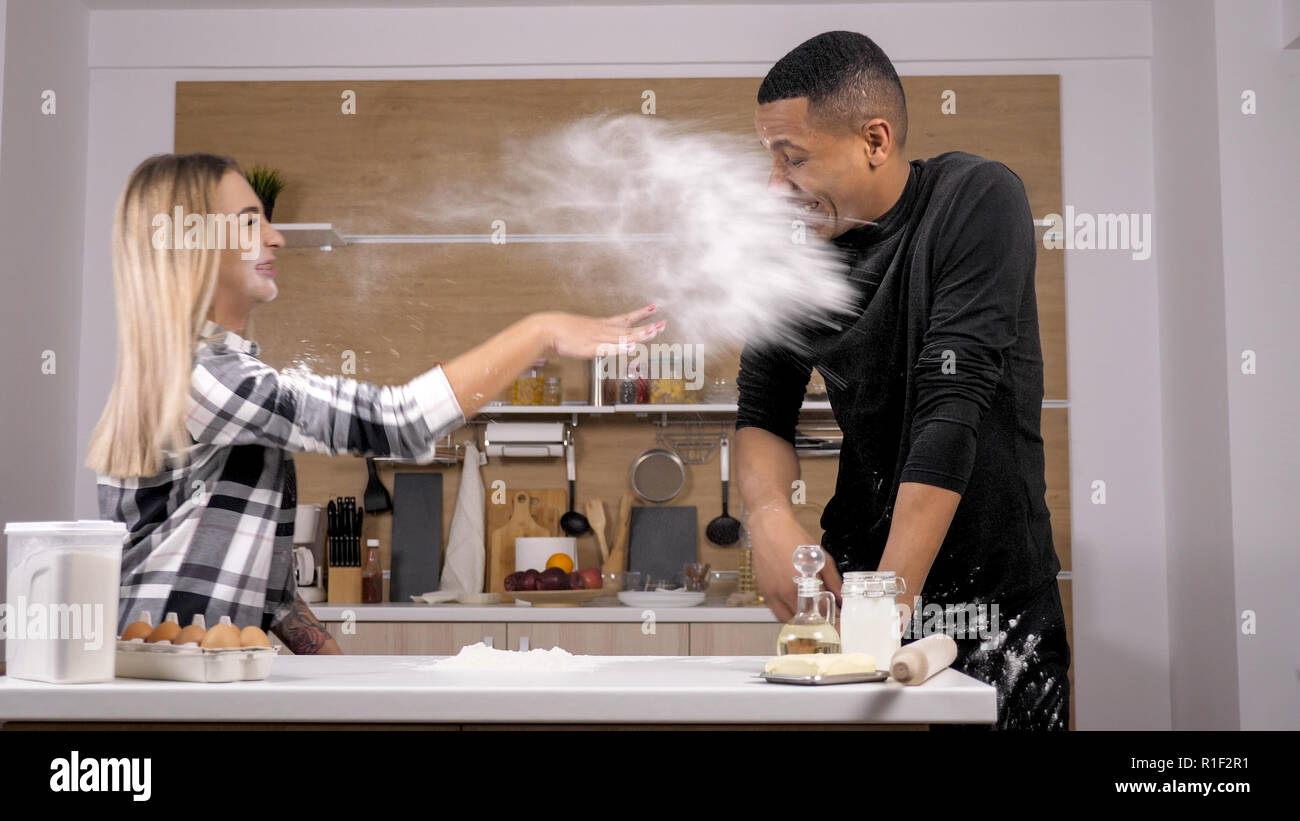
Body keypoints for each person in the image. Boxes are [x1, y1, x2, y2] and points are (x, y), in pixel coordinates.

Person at [87, 153, 663, 654]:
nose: (276, 238)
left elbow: (273, 595)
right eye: (250, 221)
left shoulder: (222, 376)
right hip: (163, 689)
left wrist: (349, 679)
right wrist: (539, 331)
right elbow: (398, 421)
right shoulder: (199, 379)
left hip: (204, 681)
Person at [735, 31, 1069, 730]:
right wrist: (768, 518)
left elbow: (950, 414)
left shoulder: (975, 199)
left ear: (876, 141)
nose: (774, 185)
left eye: (792, 159)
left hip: (991, 600)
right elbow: (764, 411)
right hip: (857, 585)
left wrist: (884, 610)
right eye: (769, 158)